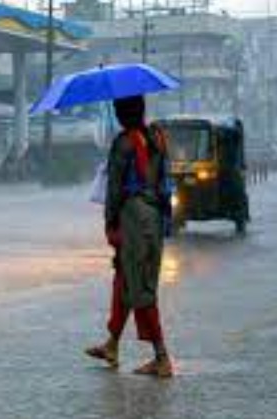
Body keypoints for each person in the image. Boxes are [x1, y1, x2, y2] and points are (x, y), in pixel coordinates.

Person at [85, 95, 174, 378]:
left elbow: (113, 190)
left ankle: (162, 357)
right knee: (126, 279)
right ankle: (112, 344)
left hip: (133, 217)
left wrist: (110, 223)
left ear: (123, 113)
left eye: (118, 109)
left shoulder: (123, 143)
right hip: (154, 217)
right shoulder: (157, 137)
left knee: (140, 287)